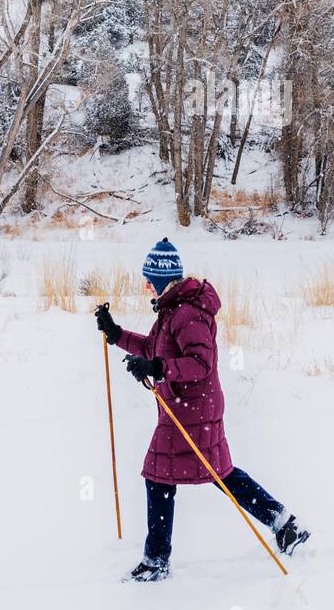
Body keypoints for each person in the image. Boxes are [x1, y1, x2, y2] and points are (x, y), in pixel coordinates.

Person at [95, 238, 310, 582]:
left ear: (163, 279)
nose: (145, 284)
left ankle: (155, 561)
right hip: (188, 406)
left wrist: (158, 369)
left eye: (148, 278)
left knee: (159, 474)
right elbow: (153, 347)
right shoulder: (171, 309)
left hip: (191, 408)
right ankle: (284, 524)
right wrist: (116, 333)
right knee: (218, 472)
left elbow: (200, 363)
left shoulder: (188, 313)